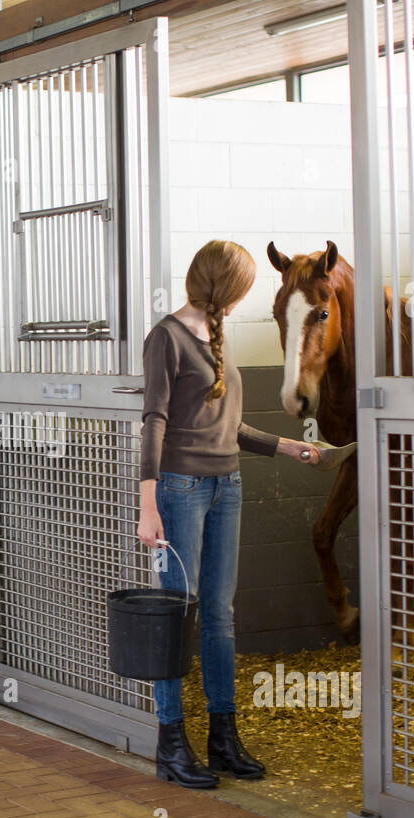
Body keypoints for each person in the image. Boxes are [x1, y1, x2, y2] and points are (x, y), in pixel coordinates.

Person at [136, 240, 321, 789]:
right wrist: (148, 506)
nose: (246, 298)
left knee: (219, 614)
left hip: (227, 486)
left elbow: (227, 428)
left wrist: (286, 447)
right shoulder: (166, 337)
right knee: (177, 614)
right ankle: (170, 743)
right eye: (243, 287)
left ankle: (222, 737)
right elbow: (154, 423)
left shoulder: (217, 339)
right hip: (179, 489)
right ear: (225, 287)